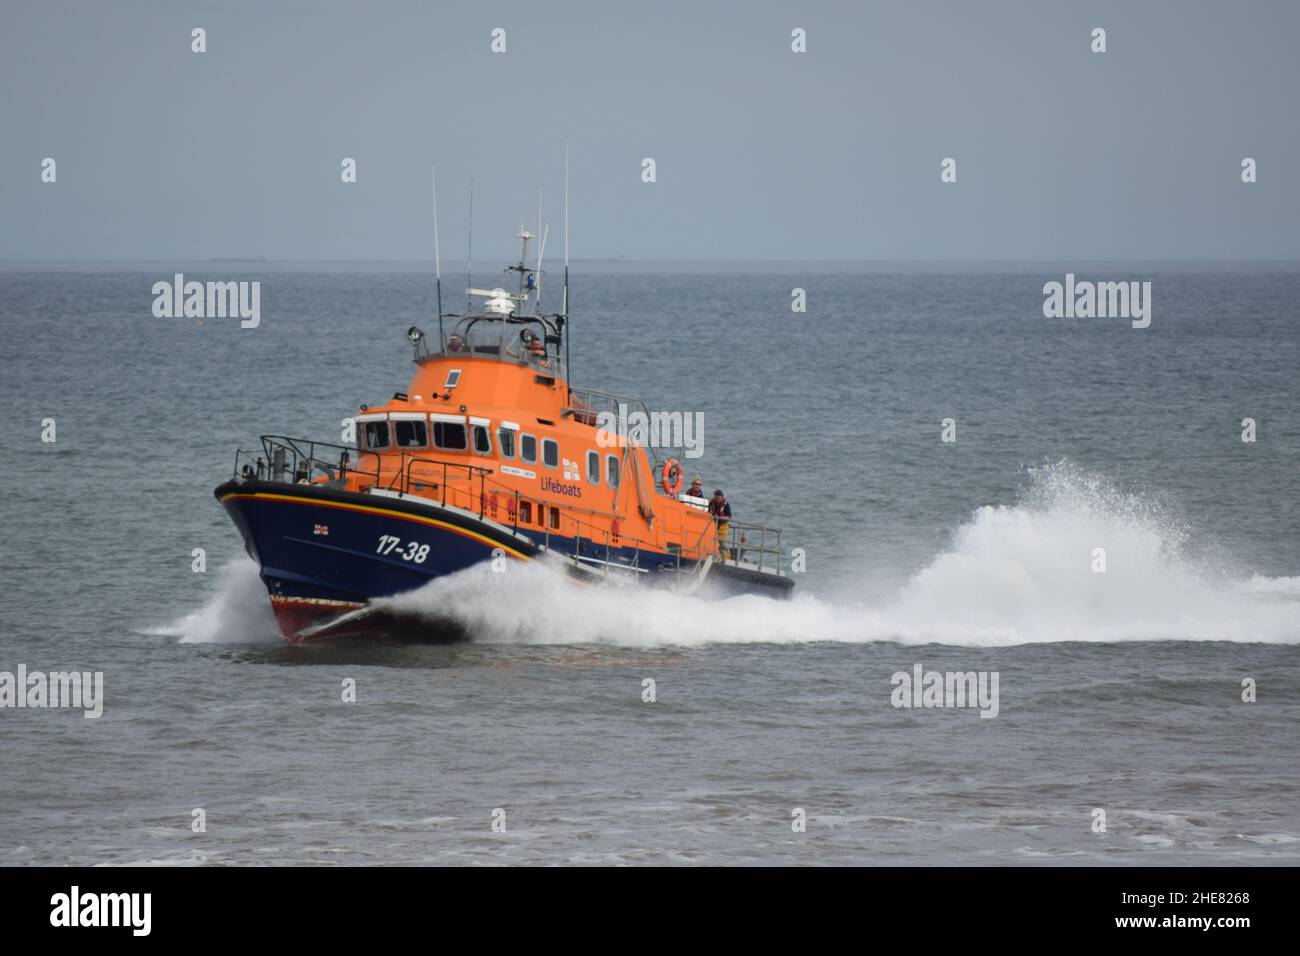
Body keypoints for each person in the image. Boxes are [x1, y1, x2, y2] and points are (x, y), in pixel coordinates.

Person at [709, 489, 732, 561]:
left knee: (723, 544)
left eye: (718, 498)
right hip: (713, 525)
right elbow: (709, 512)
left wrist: (719, 518)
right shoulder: (711, 503)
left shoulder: (726, 505)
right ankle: (713, 558)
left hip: (723, 526)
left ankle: (726, 559)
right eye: (716, 498)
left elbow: (729, 517)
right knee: (711, 542)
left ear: (722, 497)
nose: (717, 500)